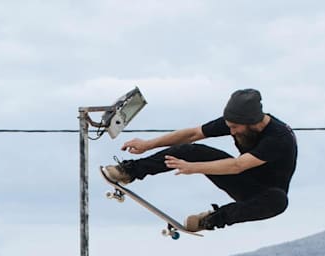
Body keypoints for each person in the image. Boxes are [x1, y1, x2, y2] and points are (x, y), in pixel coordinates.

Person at [101, 88, 297, 232]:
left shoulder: (278, 138)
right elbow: (193, 134)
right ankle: (129, 171)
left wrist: (193, 168)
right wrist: (148, 144)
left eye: (235, 128)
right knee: (193, 149)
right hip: (240, 180)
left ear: (252, 122)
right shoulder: (236, 121)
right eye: (228, 126)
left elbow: (239, 165)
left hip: (262, 195)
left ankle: (210, 219)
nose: (231, 131)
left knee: (278, 201)